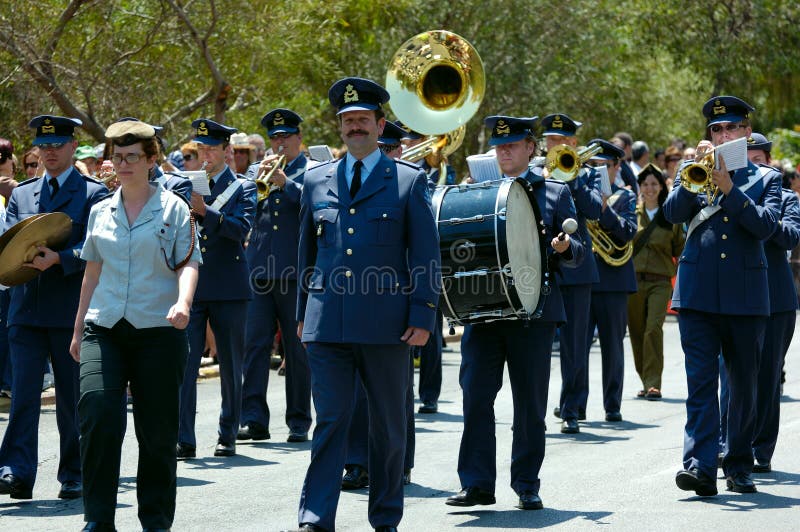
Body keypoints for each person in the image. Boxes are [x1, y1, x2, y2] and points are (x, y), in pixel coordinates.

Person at [291, 77, 439, 532]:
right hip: (328, 325)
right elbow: (305, 255)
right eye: (347, 120)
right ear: (340, 127)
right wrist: (301, 315)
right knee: (330, 422)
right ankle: (316, 517)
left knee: (388, 429)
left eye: (363, 120)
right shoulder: (315, 181)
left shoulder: (409, 181)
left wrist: (422, 315)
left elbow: (425, 255)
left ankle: (386, 517)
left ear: (379, 125)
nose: (355, 127)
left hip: (387, 327)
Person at [446, 115, 583, 512]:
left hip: (533, 313)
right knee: (475, 399)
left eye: (513, 144)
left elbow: (579, 254)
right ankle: (476, 485)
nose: (504, 151)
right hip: (484, 312)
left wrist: (564, 249)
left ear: (530, 148)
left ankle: (526, 483)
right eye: (499, 145)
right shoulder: (477, 192)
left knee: (529, 406)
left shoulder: (555, 193)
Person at [69, 119, 201, 531]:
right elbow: (91, 273)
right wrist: (77, 331)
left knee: (158, 433)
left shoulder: (175, 209)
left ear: (150, 160)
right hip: (104, 327)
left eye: (131, 157)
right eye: (117, 156)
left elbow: (189, 263)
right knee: (98, 417)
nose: (122, 164)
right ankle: (98, 521)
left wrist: (182, 302)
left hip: (158, 332)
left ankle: (156, 522)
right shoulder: (100, 211)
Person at [665, 96, 782, 496]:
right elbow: (672, 213)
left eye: (731, 128)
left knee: (743, 387)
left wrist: (730, 187)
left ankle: (738, 464)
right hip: (697, 295)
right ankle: (699, 466)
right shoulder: (691, 171)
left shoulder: (767, 179)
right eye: (716, 130)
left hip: (746, 298)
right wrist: (689, 173)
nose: (723, 135)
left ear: (747, 133)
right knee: (699, 384)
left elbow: (767, 228)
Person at [0, 116, 108, 501]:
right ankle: (16, 472)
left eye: (57, 145)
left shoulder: (93, 194)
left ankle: (74, 472)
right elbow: (8, 246)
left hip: (70, 311)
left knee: (72, 399)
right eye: (43, 145)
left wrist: (61, 258)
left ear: (72, 146)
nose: (49, 151)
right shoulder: (22, 195)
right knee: (24, 395)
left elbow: (98, 248)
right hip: (25, 310)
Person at [340, 120, 417, 491]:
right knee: (355, 390)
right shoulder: (350, 176)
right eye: (380, 148)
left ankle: (399, 462)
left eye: (390, 148)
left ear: (398, 149)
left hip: (393, 299)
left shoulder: (410, 181)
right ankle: (356, 461)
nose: (384, 154)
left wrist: (420, 309)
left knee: (397, 392)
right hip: (352, 297)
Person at [718, 133, 800, 474]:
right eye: (745, 158)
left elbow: (789, 235)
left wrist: (755, 216)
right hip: (738, 295)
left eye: (757, 158)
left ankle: (760, 447)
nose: (751, 164)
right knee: (733, 375)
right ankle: (729, 443)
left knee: (766, 378)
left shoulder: (786, 196)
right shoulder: (728, 191)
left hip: (776, 298)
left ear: (768, 161)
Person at [177, 119, 256, 459]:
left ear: (226, 151)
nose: (205, 155)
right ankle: (184, 438)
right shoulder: (184, 186)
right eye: (201, 149)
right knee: (185, 364)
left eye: (211, 149)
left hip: (228, 286)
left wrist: (204, 211)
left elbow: (240, 229)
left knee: (231, 365)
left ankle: (228, 433)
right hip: (192, 287)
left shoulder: (243, 188)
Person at [238, 108, 312, 443]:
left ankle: (298, 420)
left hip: (294, 271)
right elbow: (245, 211)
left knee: (297, 350)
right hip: (259, 270)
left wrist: (288, 184)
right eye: (275, 138)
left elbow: (318, 207)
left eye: (286, 137)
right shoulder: (257, 171)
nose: (280, 144)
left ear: (299, 138)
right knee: (254, 345)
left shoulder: (312, 173)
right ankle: (253, 417)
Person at [538, 113, 602, 434]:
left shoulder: (589, 173)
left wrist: (571, 175)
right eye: (550, 140)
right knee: (537, 342)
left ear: (573, 144)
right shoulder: (534, 174)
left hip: (576, 267)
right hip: (542, 266)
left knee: (576, 343)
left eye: (561, 142)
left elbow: (595, 210)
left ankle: (573, 406)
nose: (554, 146)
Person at [581, 139, 638, 423]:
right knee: (577, 345)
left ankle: (612, 404)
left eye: (603, 166)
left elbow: (628, 232)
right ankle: (575, 404)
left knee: (612, 346)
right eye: (593, 166)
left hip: (613, 282)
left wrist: (605, 210)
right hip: (583, 279)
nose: (598, 171)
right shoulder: (580, 194)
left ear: (616, 168)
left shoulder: (626, 197)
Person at [627, 164, 684, 400]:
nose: (650, 188)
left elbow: (680, 249)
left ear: (662, 187)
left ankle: (653, 383)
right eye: (645, 184)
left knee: (653, 329)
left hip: (660, 282)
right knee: (637, 332)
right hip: (633, 282)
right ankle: (644, 379)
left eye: (654, 184)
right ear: (639, 187)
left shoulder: (670, 216)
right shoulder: (631, 212)